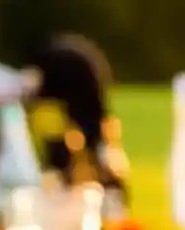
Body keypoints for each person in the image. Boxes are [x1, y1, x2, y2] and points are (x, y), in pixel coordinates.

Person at [27, 34, 128, 195]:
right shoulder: (82, 77)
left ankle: (68, 180)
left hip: (74, 75)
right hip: (77, 76)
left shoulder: (73, 73)